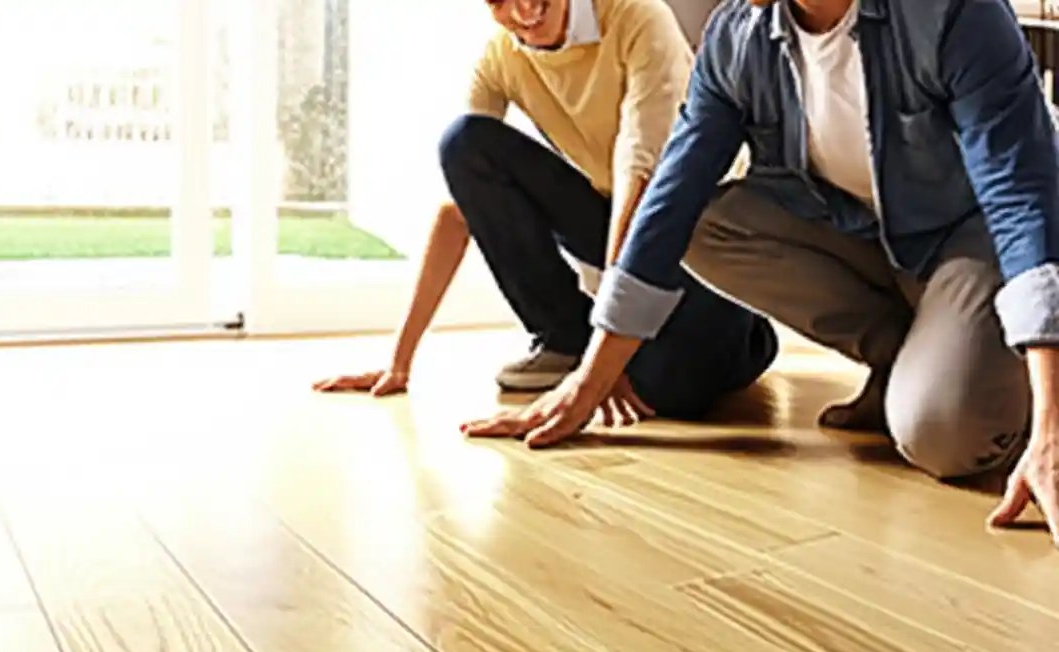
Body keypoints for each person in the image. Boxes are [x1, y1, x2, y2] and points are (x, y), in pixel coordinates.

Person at [465, 0, 1059, 546]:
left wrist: (1051, 428)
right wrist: (589, 382)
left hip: (969, 244)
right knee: (699, 221)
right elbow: (671, 198)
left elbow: (1020, 198)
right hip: (861, 236)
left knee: (942, 437)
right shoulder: (737, 37)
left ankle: (1027, 384)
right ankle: (907, 361)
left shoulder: (953, 12)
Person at [314, 0, 777, 425]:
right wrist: (400, 361)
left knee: (668, 396)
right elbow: (461, 207)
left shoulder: (636, 15)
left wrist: (604, 354)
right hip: (613, 218)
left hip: (702, 235)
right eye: (499, 0)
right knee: (465, 142)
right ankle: (563, 339)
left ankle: (747, 334)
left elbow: (640, 176)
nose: (524, 11)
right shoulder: (501, 57)